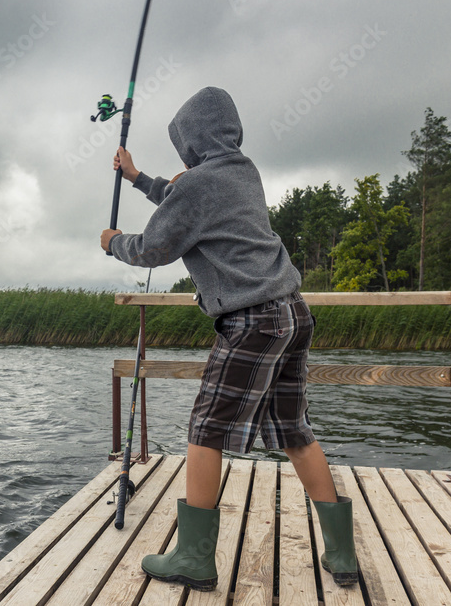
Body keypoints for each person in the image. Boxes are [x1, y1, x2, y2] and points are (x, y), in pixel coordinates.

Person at [100, 87, 357, 592]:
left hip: (253, 321)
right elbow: (186, 198)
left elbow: (156, 246)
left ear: (191, 140)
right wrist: (137, 180)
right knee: (293, 429)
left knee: (205, 427)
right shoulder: (244, 171)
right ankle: (342, 553)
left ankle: (195, 558)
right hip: (292, 314)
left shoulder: (197, 185)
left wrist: (114, 245)